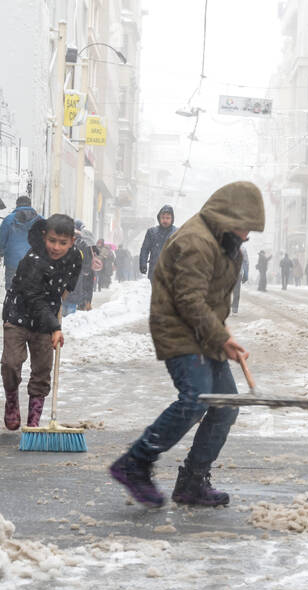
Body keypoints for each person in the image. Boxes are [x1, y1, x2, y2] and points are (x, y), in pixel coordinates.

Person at [110, 180, 265, 509]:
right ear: (227, 217)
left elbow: (213, 299)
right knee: (196, 398)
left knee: (225, 405)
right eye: (244, 227)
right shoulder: (196, 241)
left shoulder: (223, 241)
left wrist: (221, 337)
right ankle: (135, 463)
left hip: (204, 332)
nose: (247, 235)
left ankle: (193, 481)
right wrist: (221, 336)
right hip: (178, 328)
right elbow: (189, 301)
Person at [0, 214, 83, 431]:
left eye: (63, 243)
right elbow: (34, 298)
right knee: (11, 363)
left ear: (72, 241)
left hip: (45, 320)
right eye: (52, 241)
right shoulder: (32, 261)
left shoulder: (75, 257)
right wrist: (55, 327)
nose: (56, 247)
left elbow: (69, 285)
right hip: (18, 314)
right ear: (44, 236)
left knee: (42, 369)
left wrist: (57, 307)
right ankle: (11, 401)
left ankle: (33, 422)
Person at [0, 195, 42, 290]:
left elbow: (0, 241)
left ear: (17, 205)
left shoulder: (9, 219)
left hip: (13, 262)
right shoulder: (40, 220)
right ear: (30, 205)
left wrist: (2, 251)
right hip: (34, 263)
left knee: (12, 290)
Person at [139, 205, 176, 280]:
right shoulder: (151, 232)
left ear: (172, 219)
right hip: (155, 271)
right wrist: (143, 264)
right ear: (159, 218)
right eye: (163, 218)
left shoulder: (177, 233)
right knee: (157, 291)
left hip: (171, 272)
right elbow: (145, 249)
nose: (165, 220)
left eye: (168, 218)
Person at [231, 245, 248, 314]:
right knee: (236, 291)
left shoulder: (226, 244)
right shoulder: (243, 249)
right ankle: (235, 308)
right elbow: (246, 263)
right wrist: (246, 275)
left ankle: (231, 307)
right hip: (238, 273)